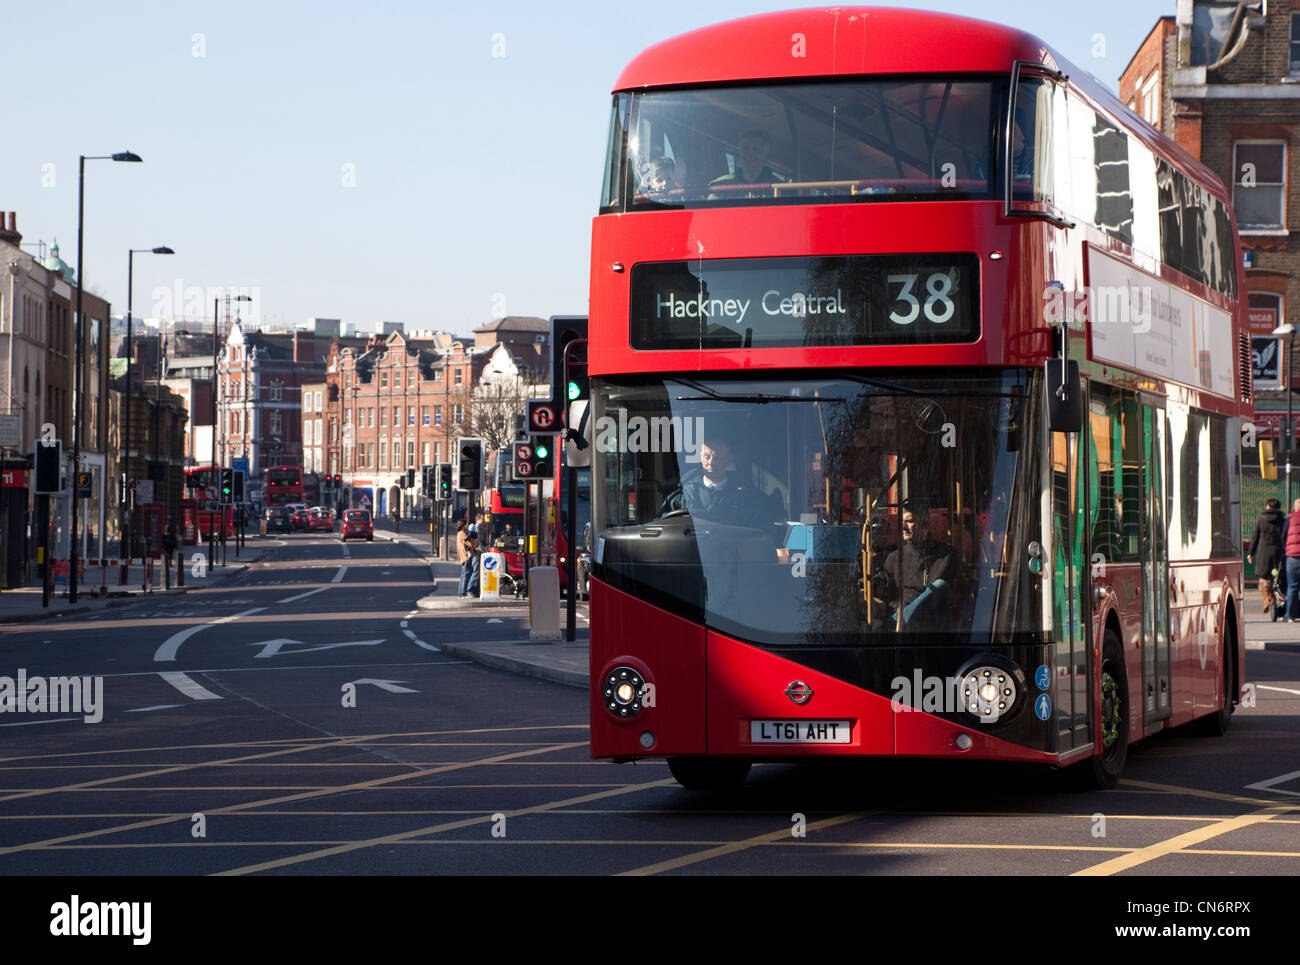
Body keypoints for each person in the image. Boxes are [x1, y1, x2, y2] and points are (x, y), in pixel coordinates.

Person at [658, 435, 768, 528]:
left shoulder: (744, 499)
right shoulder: (681, 497)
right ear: (700, 457)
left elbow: (757, 536)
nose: (711, 462)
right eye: (707, 456)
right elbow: (660, 528)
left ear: (728, 460)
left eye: (717, 458)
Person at [876, 507, 956, 630]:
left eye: (910, 521)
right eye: (901, 522)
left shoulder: (946, 555)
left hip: (928, 625)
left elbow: (943, 599)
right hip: (900, 616)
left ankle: (897, 623)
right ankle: (899, 622)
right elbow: (886, 594)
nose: (903, 527)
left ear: (925, 524)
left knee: (940, 586)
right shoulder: (893, 558)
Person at [710, 130, 784, 197]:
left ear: (765, 155)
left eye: (756, 149)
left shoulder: (780, 187)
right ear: (740, 153)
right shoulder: (722, 185)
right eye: (745, 149)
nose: (750, 153)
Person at [1248, 498, 1286, 615]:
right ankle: (1279, 598)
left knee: (1264, 578)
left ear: (1268, 507)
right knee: (1277, 575)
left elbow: (1255, 536)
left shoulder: (1261, 518)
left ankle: (1267, 599)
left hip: (1264, 552)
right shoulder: (1283, 520)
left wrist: (1251, 552)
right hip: (1279, 551)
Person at [1285, 499, 1300, 623]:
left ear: (1295, 508)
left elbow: (1283, 536)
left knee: (1292, 586)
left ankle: (1290, 615)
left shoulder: (1289, 519)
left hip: (1292, 557)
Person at [455, 520, 472, 597]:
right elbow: (470, 544)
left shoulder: (459, 533)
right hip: (465, 556)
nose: (467, 526)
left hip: (462, 557)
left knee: (463, 575)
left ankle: (460, 593)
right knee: (465, 575)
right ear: (464, 526)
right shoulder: (462, 534)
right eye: (466, 525)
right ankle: (462, 593)